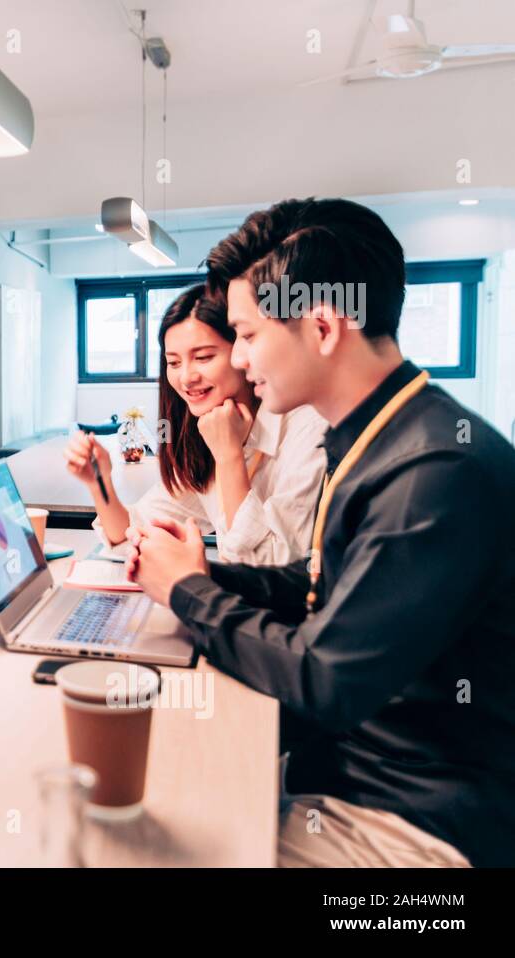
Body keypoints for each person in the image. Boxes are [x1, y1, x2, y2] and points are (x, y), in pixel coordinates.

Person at [126, 198, 515, 867]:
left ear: (324, 326)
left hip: (417, 836)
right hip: (352, 785)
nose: (239, 361)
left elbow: (324, 678)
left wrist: (190, 592)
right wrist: (204, 574)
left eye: (246, 335)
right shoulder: (379, 438)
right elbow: (319, 586)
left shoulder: (434, 470)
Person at [65, 284, 326, 564]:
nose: (187, 377)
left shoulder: (306, 427)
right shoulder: (204, 433)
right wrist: (99, 482)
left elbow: (272, 568)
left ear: (242, 351)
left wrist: (229, 456)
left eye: (203, 358)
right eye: (174, 363)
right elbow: (131, 535)